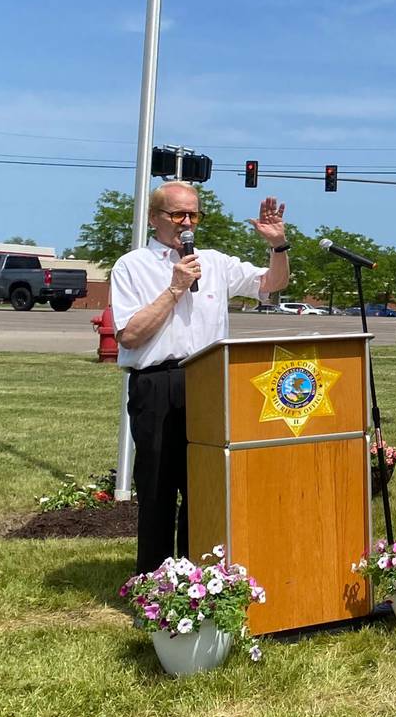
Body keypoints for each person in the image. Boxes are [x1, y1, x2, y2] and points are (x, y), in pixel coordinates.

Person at [112, 182, 290, 573]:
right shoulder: (131, 266)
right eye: (178, 214)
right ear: (154, 218)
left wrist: (278, 246)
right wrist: (175, 288)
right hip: (158, 384)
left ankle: (201, 577)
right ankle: (155, 580)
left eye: (194, 214)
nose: (187, 222)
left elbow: (271, 284)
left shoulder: (215, 262)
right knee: (157, 488)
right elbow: (130, 335)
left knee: (205, 484)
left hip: (210, 383)